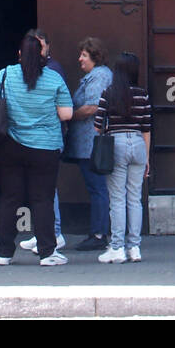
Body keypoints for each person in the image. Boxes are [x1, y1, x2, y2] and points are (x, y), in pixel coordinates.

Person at [0, 33, 73, 266]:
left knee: (10, 198)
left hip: (10, 146)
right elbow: (67, 114)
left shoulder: (6, 74)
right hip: (45, 148)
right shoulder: (54, 79)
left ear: (19, 55)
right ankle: (47, 252)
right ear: (43, 55)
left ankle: (4, 253)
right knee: (42, 200)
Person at [94, 51, 152, 263]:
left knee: (117, 199)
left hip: (115, 144)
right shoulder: (142, 94)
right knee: (134, 198)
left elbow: (97, 126)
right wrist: (146, 158)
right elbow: (146, 128)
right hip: (137, 143)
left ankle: (117, 247)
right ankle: (134, 247)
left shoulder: (108, 93)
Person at [19, 29, 68, 253]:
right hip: (42, 139)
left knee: (47, 189)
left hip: (46, 139)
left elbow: (64, 111)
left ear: (48, 47)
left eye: (41, 45)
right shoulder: (37, 71)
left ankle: (53, 233)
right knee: (42, 189)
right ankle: (43, 233)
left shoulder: (52, 71)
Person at [65, 37, 112, 251]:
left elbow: (93, 107)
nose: (80, 59)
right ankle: (99, 231)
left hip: (91, 143)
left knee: (98, 188)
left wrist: (68, 116)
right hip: (87, 143)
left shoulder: (99, 76)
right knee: (97, 188)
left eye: (84, 55)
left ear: (94, 56)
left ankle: (99, 233)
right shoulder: (95, 76)